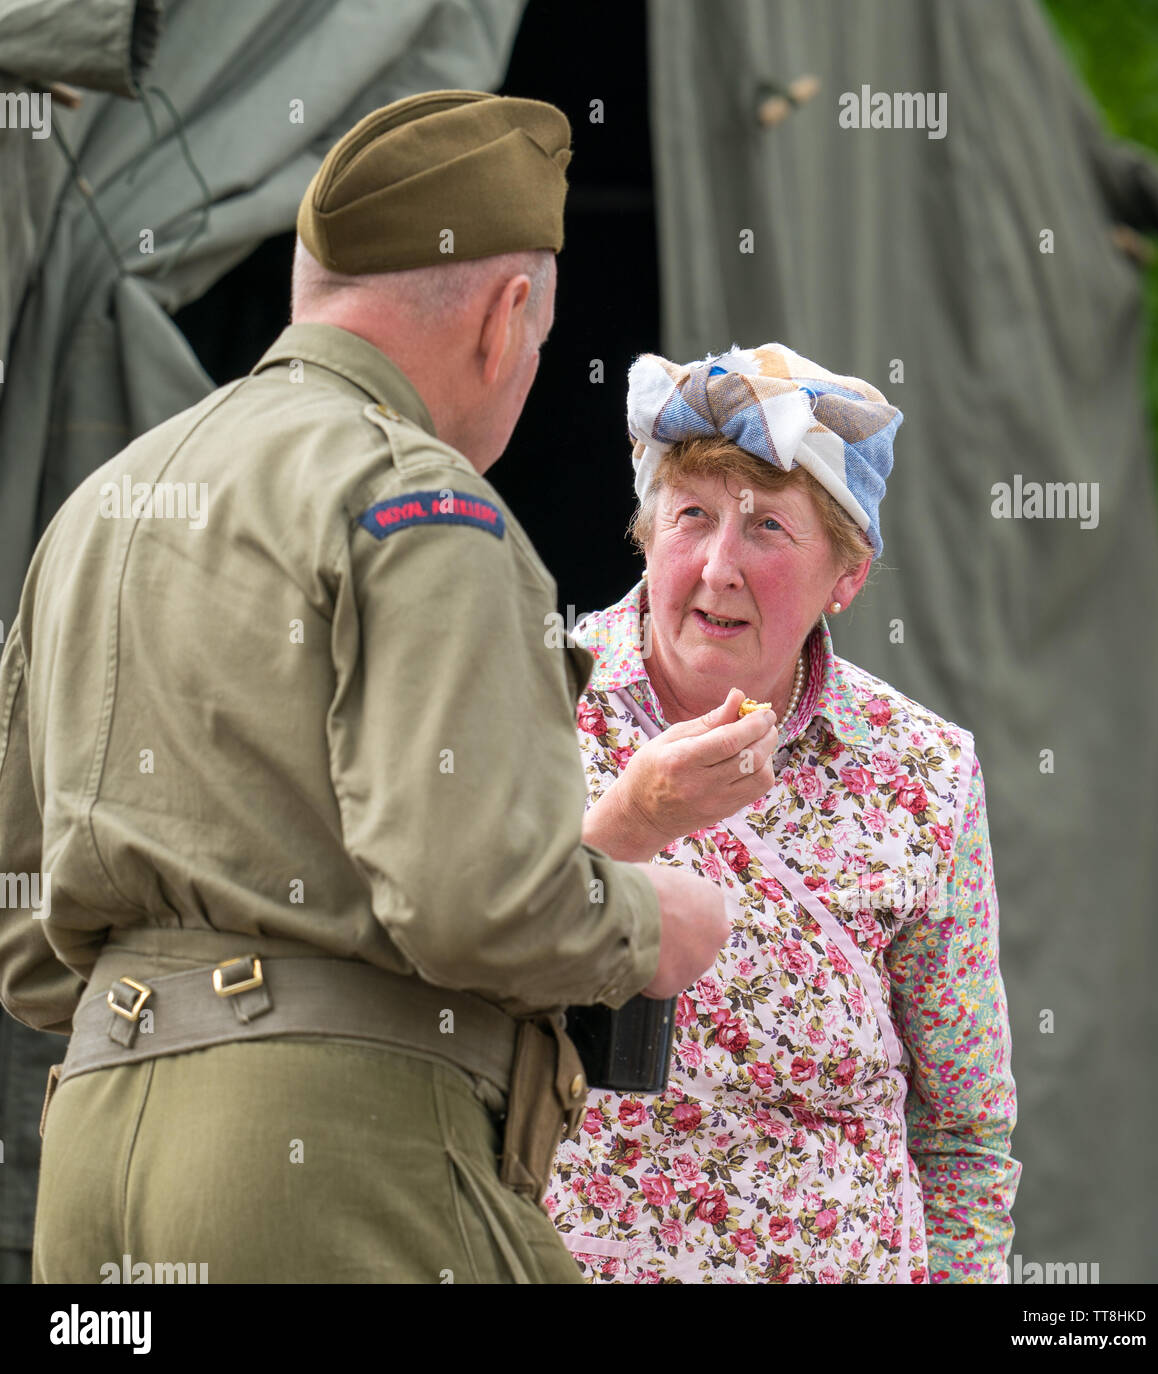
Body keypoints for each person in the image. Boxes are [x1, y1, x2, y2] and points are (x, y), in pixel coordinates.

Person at [0, 90, 728, 1284]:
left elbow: (29, 944)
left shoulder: (102, 506)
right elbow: (472, 898)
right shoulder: (422, 504)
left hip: (90, 1167)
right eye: (538, 345)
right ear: (504, 317)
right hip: (329, 1165)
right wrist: (653, 923)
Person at [545, 342, 1022, 1283]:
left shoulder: (919, 770)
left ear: (845, 576)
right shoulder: (527, 701)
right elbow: (434, 989)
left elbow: (964, 1137)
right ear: (648, 530)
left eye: (767, 528)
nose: (719, 565)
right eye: (692, 516)